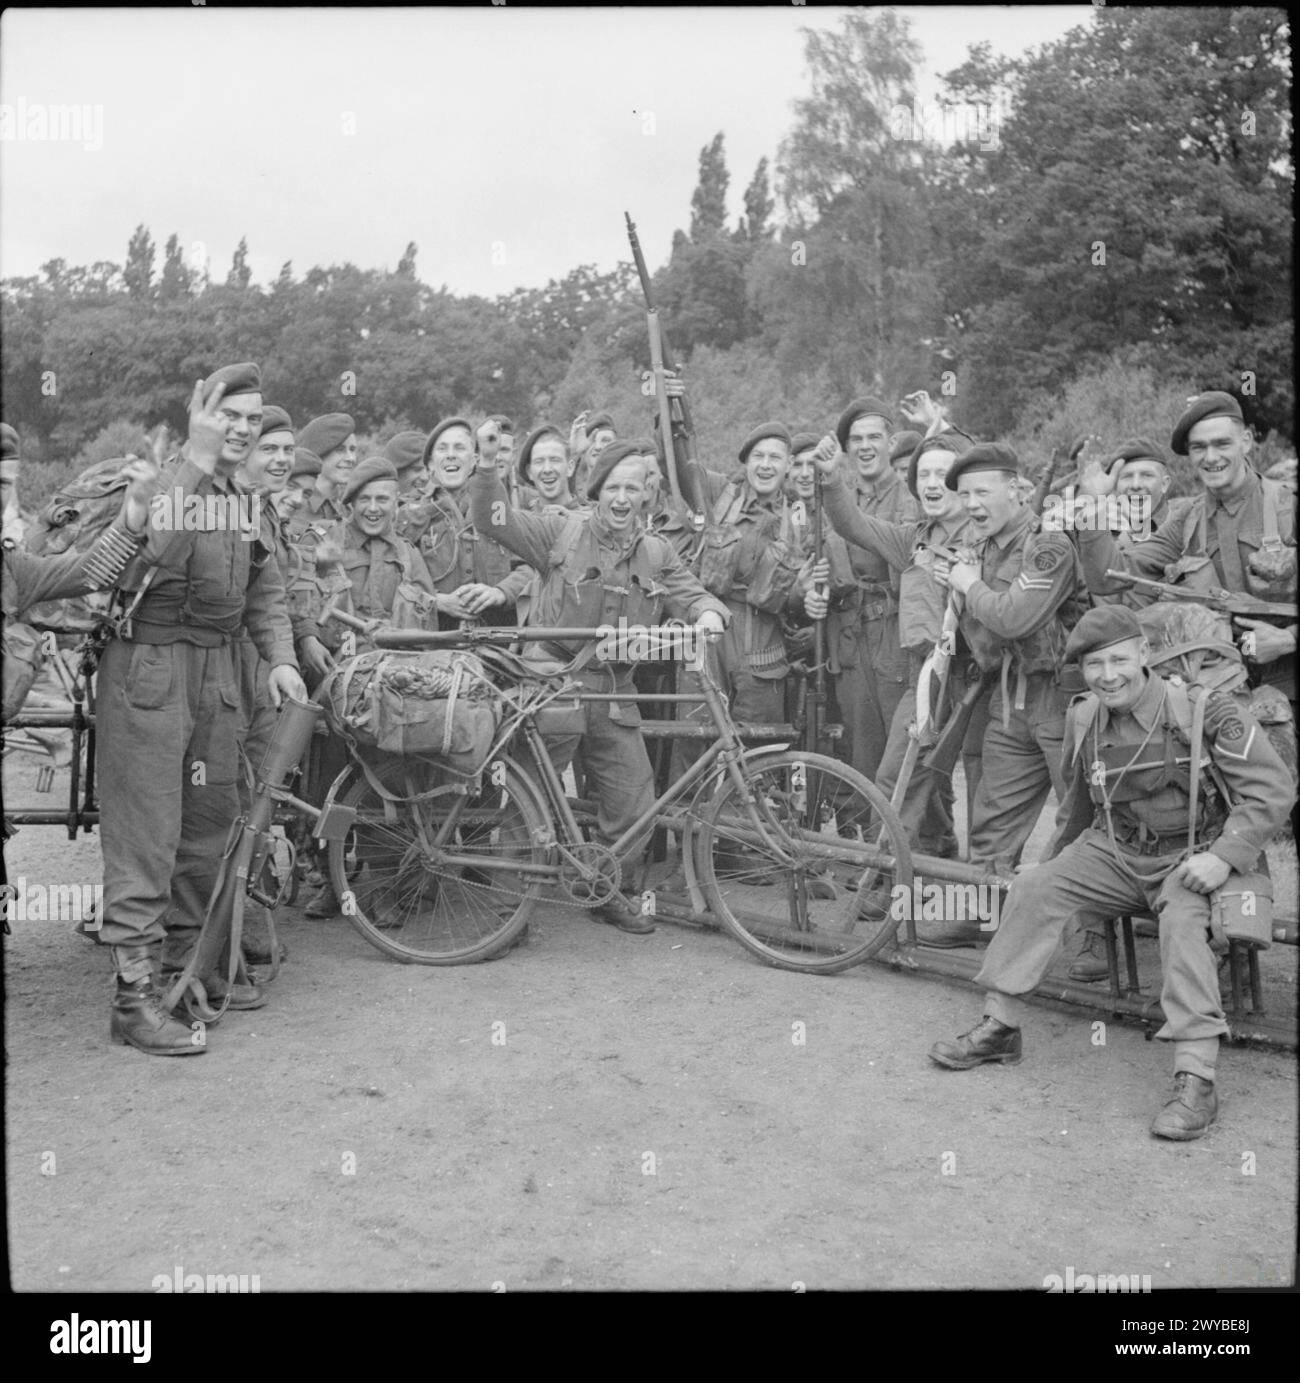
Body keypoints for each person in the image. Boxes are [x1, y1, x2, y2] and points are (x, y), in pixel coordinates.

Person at [928, 605, 1294, 1141]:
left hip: (1195, 854)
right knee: (1036, 886)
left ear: (1144, 656)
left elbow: (1273, 789)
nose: (1109, 676)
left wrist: (1223, 857)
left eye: (1120, 660)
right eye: (1096, 666)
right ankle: (1000, 1026)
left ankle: (1197, 1077)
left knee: (1184, 921)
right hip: (1118, 851)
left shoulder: (1204, 709)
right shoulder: (1084, 716)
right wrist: (1056, 861)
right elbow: (1079, 808)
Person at [92, 365, 306, 1056]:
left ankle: (188, 972)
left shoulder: (243, 501)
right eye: (229, 416)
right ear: (200, 414)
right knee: (147, 831)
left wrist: (279, 658)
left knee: (208, 827)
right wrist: (200, 456)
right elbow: (161, 546)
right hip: (149, 671)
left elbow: (264, 588)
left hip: (217, 673)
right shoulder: (168, 482)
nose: (243, 428)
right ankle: (134, 998)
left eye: (251, 417)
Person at [468, 436, 728, 933]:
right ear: (597, 490)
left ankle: (604, 889)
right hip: (553, 682)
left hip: (613, 689)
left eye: (633, 487)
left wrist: (710, 615)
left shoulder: (656, 551)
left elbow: (693, 595)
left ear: (646, 495)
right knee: (534, 796)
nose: (623, 498)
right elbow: (492, 520)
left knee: (634, 796)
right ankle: (509, 914)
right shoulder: (559, 533)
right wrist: (485, 466)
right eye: (613, 487)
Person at [921, 442, 1089, 944]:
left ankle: (1090, 937)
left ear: (1016, 490)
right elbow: (990, 639)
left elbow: (1016, 615)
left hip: (1067, 699)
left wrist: (969, 585)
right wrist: (959, 590)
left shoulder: (1050, 545)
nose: (970, 503)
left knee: (1082, 816)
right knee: (993, 813)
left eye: (981, 491)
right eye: (964, 494)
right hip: (1011, 695)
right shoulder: (984, 549)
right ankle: (984, 913)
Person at [814, 431, 979, 858]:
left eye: (942, 474)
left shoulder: (986, 536)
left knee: (988, 794)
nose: (930, 483)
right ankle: (888, 884)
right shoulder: (913, 539)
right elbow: (853, 525)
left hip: (986, 685)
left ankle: (987, 898)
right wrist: (833, 479)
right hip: (929, 679)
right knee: (895, 779)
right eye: (923, 474)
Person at [818, 397, 918, 784]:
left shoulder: (912, 495)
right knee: (861, 748)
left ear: (891, 444)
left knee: (906, 745)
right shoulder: (830, 496)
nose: (865, 446)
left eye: (874, 437)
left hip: (896, 632)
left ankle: (930, 839)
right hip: (849, 634)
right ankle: (869, 839)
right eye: (856, 439)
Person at [397, 416, 533, 628]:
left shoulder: (497, 508)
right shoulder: (410, 515)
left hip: (497, 642)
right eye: (442, 449)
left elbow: (529, 569)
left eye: (459, 448)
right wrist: (436, 602)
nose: (451, 455)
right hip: (434, 644)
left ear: (474, 460)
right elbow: (395, 583)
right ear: (431, 464)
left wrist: (500, 592)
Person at [290, 412, 357, 537]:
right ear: (319, 452)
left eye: (352, 450)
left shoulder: (348, 510)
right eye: (340, 450)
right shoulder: (292, 503)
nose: (351, 458)